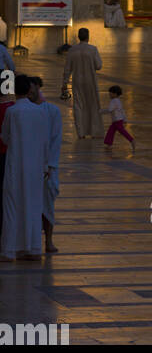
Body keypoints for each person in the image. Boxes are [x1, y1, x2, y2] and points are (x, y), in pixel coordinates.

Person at [0, 74, 50, 262]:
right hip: (35, 165)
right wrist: (46, 164)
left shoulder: (12, 112)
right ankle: (33, 248)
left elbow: (5, 137)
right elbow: (45, 140)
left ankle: (10, 250)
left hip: (16, 164)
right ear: (29, 90)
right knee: (33, 205)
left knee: (13, 206)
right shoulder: (39, 111)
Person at [28, 77, 62, 253]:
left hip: (47, 167)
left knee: (47, 206)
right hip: (28, 165)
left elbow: (55, 140)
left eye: (33, 89)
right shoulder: (24, 110)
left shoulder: (52, 111)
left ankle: (48, 241)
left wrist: (49, 165)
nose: (31, 92)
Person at [61, 27, 104, 138]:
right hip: (90, 81)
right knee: (93, 105)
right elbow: (98, 66)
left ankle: (81, 133)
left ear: (78, 37)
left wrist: (64, 83)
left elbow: (67, 69)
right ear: (88, 37)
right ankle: (94, 131)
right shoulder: (93, 49)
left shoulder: (72, 50)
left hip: (77, 81)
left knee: (78, 105)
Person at [103, 85, 135, 152]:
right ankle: (109, 144)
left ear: (115, 94)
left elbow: (110, 109)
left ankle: (132, 140)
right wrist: (124, 119)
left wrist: (100, 111)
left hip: (117, 121)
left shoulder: (113, 101)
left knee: (122, 132)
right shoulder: (118, 101)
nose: (109, 94)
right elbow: (122, 111)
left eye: (110, 93)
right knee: (110, 131)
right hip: (117, 120)